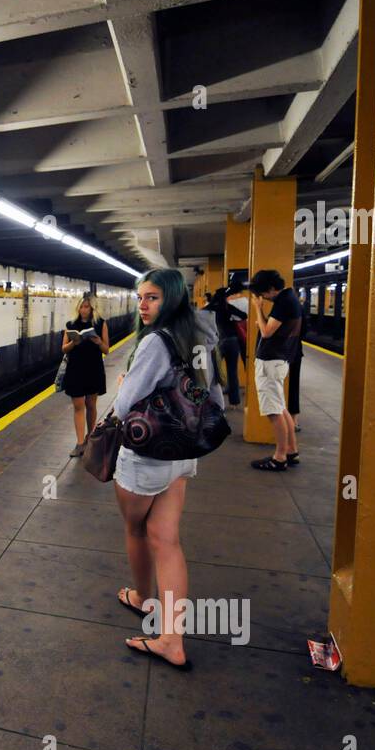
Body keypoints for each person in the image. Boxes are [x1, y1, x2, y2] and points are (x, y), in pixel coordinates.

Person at [112, 268, 224, 670]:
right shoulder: (201, 336)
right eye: (140, 297)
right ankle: (171, 641)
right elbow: (217, 401)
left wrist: (125, 380)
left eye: (153, 297)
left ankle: (144, 599)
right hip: (183, 453)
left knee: (136, 529)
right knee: (168, 540)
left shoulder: (156, 342)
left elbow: (124, 406)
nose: (143, 305)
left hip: (147, 455)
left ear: (171, 299)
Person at [247, 269, 301, 471]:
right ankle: (291, 450)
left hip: (271, 361)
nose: (262, 298)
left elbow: (266, 332)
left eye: (262, 294)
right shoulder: (290, 298)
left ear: (271, 289)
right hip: (279, 360)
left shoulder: (283, 302)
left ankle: (279, 457)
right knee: (280, 407)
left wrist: (258, 310)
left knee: (273, 411)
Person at [63, 293, 110, 458]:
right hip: (75, 370)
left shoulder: (100, 324)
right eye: (81, 307)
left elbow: (106, 350)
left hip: (93, 369)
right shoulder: (71, 325)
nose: (84, 310)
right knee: (78, 407)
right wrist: (73, 343)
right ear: (78, 308)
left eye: (87, 307)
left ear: (92, 308)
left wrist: (98, 342)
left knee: (91, 404)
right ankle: (79, 443)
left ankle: (90, 438)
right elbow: (63, 349)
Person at [206, 286, 247, 407]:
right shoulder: (228, 307)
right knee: (232, 372)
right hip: (233, 342)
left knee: (212, 371)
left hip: (220, 342)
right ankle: (234, 402)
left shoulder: (212, 307)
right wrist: (232, 318)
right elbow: (244, 315)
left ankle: (212, 400)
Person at [287, 298, 307, 431]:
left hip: (281, 353)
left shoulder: (280, 307)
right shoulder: (300, 308)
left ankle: (288, 420)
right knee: (294, 385)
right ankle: (294, 420)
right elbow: (305, 330)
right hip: (296, 351)